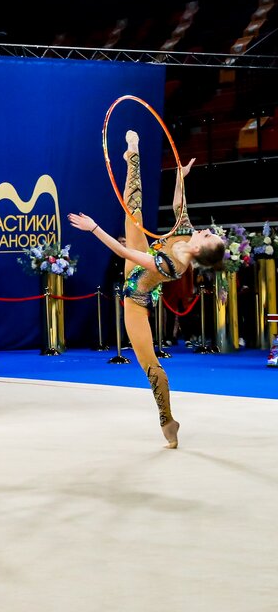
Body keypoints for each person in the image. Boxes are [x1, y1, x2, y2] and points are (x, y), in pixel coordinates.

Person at [68, 131, 225, 448]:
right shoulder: (186, 234)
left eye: (209, 236)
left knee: (151, 365)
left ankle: (167, 419)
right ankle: (133, 155)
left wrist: (93, 227)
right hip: (142, 259)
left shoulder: (174, 266)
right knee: (133, 211)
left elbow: (124, 252)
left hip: (136, 298)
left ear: (199, 250)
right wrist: (180, 177)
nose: (207, 230)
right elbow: (179, 204)